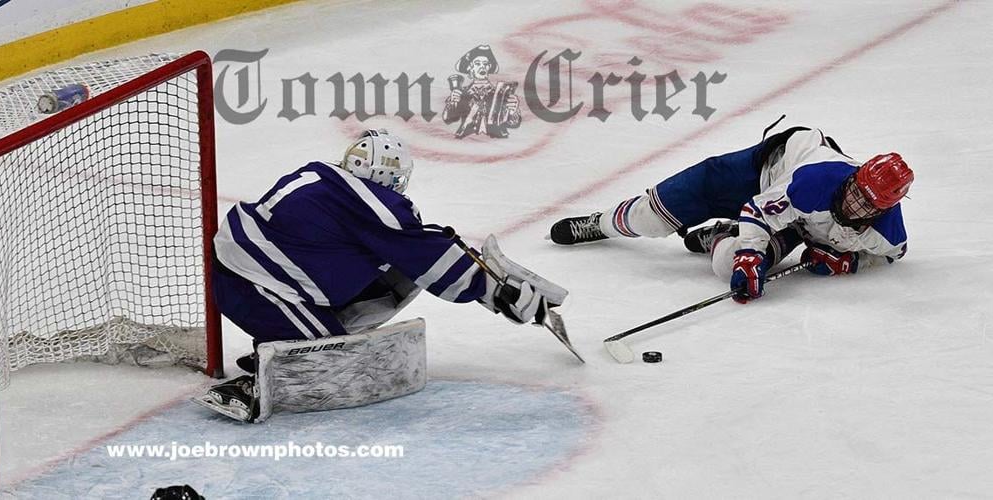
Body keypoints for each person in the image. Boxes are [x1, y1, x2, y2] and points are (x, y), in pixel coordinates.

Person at [197, 129, 563, 422]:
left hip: (250, 271)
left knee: (404, 267)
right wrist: (495, 292)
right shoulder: (371, 204)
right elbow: (426, 250)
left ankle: (290, 341)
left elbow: (420, 247)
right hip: (255, 287)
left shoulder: (326, 178)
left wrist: (483, 281)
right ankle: (258, 381)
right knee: (330, 359)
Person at [549, 125, 913, 304]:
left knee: (727, 266)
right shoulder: (813, 180)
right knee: (652, 216)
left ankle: (723, 234)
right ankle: (599, 223)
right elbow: (759, 209)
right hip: (760, 174)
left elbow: (889, 257)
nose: (854, 204)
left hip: (796, 223)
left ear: (885, 208)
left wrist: (850, 264)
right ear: (854, 176)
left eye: (867, 204)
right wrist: (752, 255)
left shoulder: (888, 231)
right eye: (855, 192)